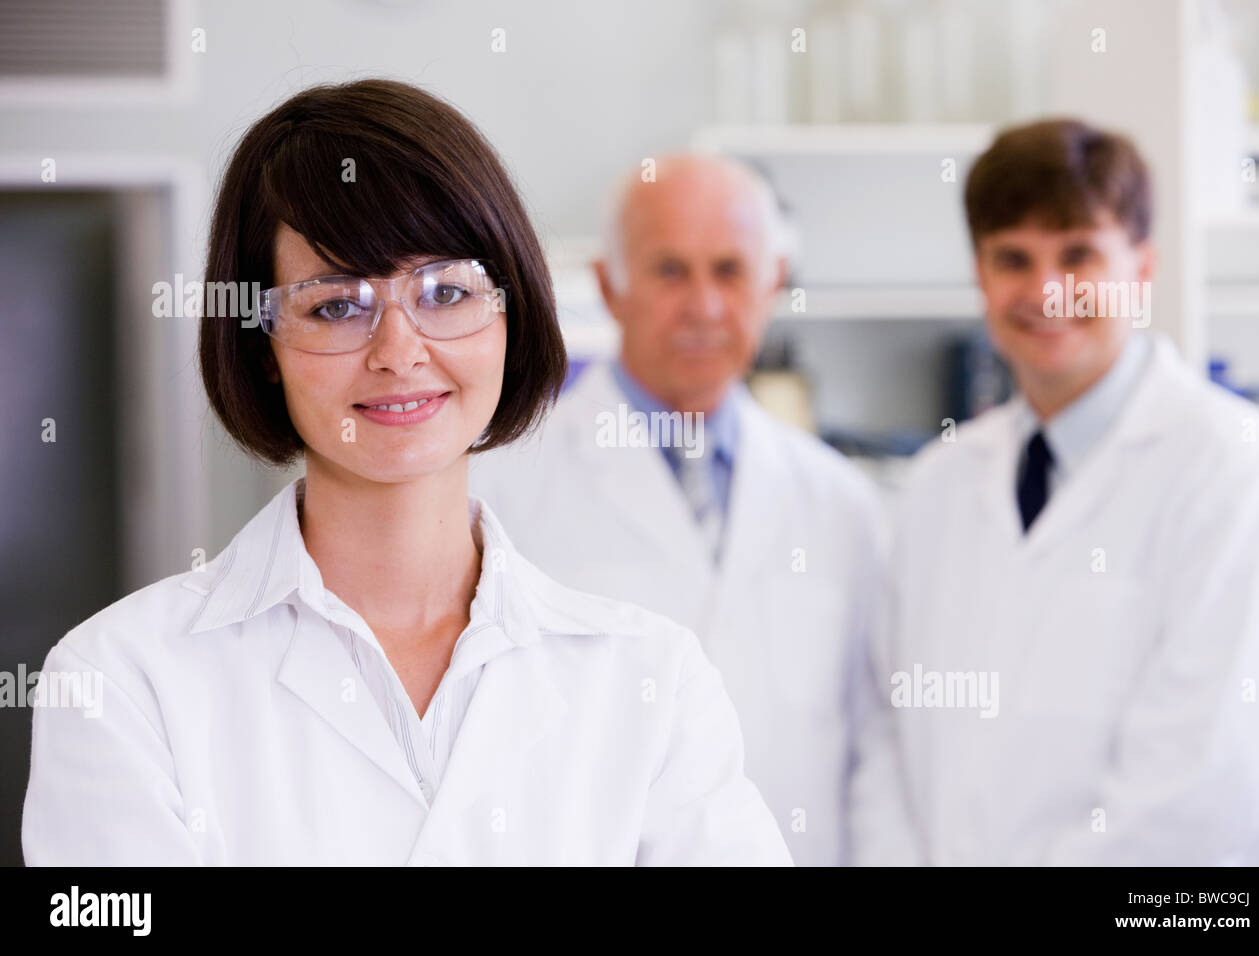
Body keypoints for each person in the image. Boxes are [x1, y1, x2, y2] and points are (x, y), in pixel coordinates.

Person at [22, 79, 791, 866]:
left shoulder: (652, 679)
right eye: (335, 306)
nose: (399, 351)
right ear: (263, 345)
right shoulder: (122, 682)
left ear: (509, 315)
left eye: (446, 292)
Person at [855, 118, 1259, 865]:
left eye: (1078, 255)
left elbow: (1206, 783)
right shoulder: (937, 484)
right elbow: (885, 738)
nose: (1046, 292)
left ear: (1143, 269)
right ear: (980, 276)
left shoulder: (1235, 468)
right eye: (1013, 259)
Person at [470, 154, 888, 866]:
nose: (704, 306)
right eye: (670, 271)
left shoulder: (841, 503)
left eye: (730, 271)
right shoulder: (499, 489)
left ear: (772, 283)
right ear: (610, 287)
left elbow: (874, 749)